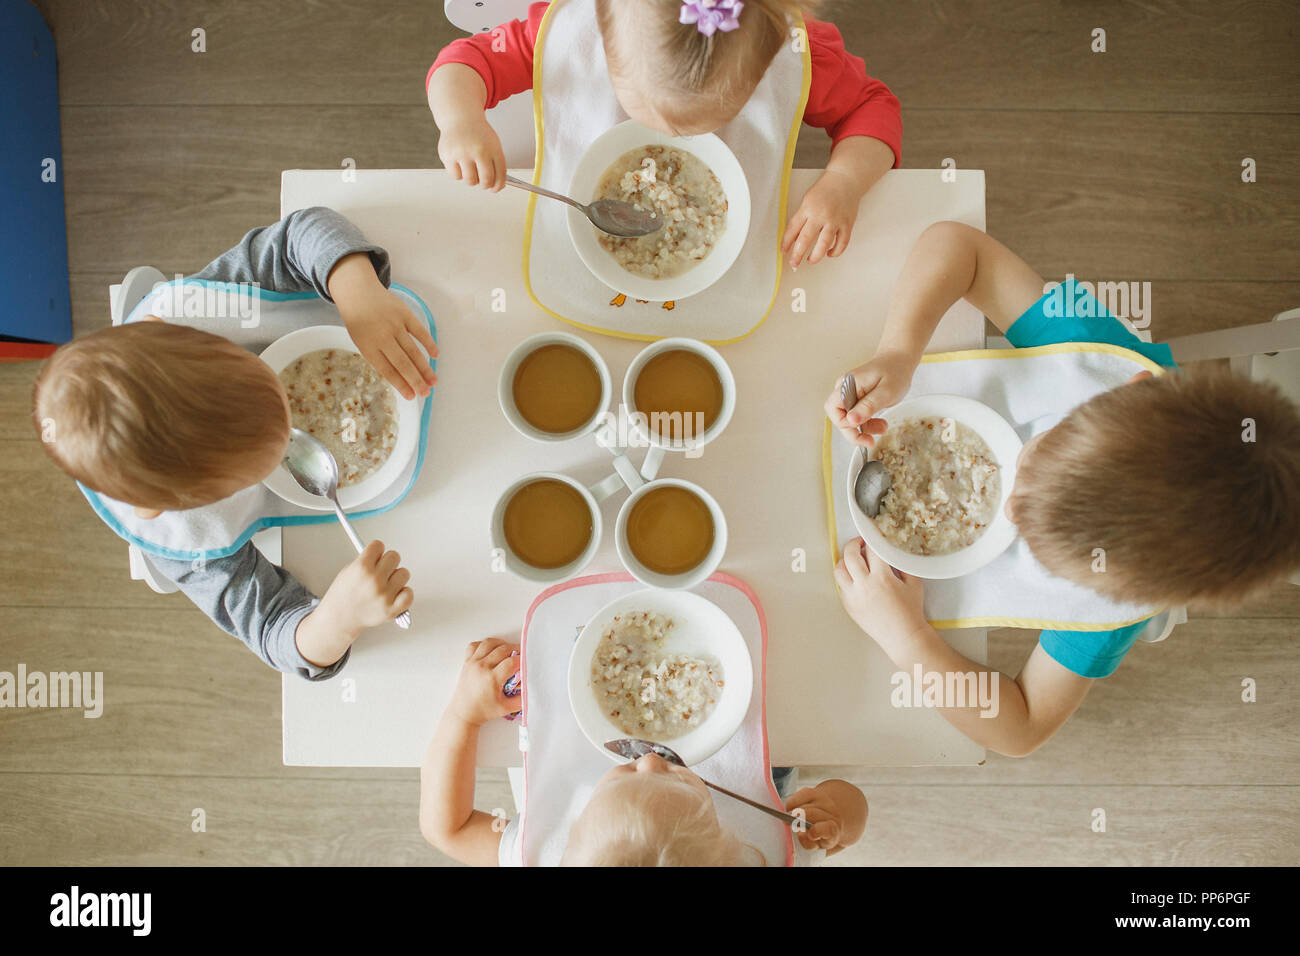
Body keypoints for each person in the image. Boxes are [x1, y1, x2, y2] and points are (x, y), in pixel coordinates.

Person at [825, 220, 1300, 756]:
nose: (1006, 503)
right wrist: (899, 351)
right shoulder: (1093, 356)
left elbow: (1020, 728)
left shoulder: (1111, 604)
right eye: (1038, 457)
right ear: (1130, 392)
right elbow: (959, 249)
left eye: (1029, 525)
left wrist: (908, 640)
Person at [32, 207, 436, 678]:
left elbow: (300, 236)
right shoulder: (184, 536)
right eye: (264, 458)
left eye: (265, 381)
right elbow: (271, 631)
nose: (292, 428)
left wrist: (355, 290)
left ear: (172, 328)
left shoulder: (198, 313)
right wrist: (338, 619)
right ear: (181, 503)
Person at [427, 0, 901, 269]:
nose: (676, 138)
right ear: (603, 34)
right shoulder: (572, 28)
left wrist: (844, 183)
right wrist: (460, 122)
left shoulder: (798, 54)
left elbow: (871, 109)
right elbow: (468, 61)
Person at [419, 638, 869, 865]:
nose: (651, 759)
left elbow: (450, 829)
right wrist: (836, 813)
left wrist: (464, 715)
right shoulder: (766, 852)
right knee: (781, 754)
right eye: (672, 776)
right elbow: (854, 815)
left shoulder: (546, 853)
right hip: (753, 780)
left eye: (626, 776)